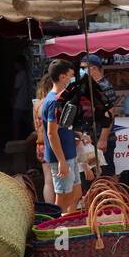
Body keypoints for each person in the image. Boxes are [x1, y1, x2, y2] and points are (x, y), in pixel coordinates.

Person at [42, 60, 83, 215]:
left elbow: (60, 129)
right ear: (62, 77)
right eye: (71, 76)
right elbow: (51, 133)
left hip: (68, 153)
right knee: (63, 198)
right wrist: (61, 161)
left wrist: (76, 135)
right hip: (62, 157)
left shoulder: (59, 100)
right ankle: (56, 228)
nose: (72, 80)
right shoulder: (53, 102)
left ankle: (70, 223)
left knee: (76, 193)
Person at [78, 54, 119, 173]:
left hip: (100, 137)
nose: (81, 71)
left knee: (107, 172)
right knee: (95, 171)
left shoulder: (104, 87)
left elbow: (109, 115)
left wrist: (103, 139)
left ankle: (112, 192)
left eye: (84, 68)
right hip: (90, 137)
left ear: (94, 68)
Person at [31, 74, 56, 204]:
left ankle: (50, 208)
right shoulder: (51, 103)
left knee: (48, 180)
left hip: (40, 144)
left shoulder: (36, 104)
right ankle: (57, 208)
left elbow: (35, 127)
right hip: (51, 143)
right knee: (57, 180)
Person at [11, 57, 31, 140]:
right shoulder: (27, 74)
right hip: (25, 101)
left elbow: (16, 89)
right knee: (27, 121)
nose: (15, 66)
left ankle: (16, 139)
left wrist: (13, 100)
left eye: (16, 64)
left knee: (16, 122)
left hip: (19, 102)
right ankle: (28, 137)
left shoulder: (19, 75)